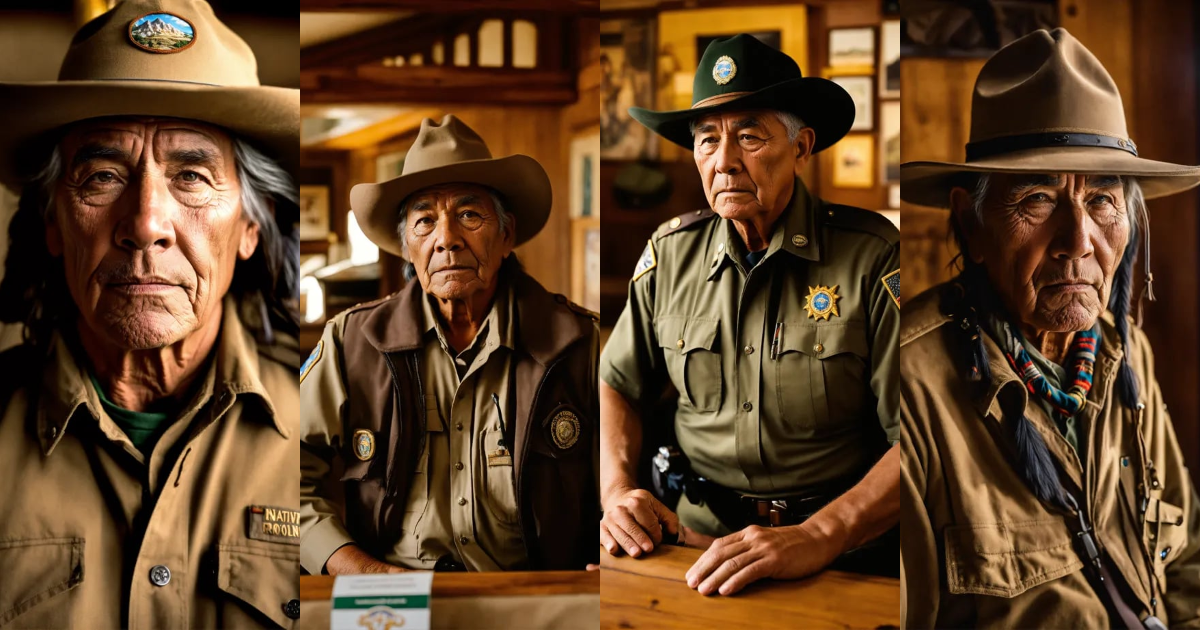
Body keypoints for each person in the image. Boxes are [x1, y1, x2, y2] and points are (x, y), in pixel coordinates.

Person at [0, 0, 301, 627]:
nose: (144, 224)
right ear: (54, 223)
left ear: (251, 226)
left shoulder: (329, 429)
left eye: (191, 176)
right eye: (102, 176)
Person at [899, 28, 1200, 628]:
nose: (1078, 241)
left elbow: (1187, 558)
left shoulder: (1123, 351)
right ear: (972, 223)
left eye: (1102, 201)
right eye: (1038, 199)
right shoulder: (912, 384)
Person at [599, 33, 901, 596]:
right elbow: (617, 382)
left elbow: (919, 440)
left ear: (802, 147)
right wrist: (616, 493)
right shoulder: (670, 254)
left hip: (841, 552)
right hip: (693, 540)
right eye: (707, 140)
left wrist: (819, 533)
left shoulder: (872, 256)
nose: (724, 162)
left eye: (748, 137)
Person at [299, 115, 600, 575]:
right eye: (425, 221)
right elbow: (285, 478)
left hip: (531, 597)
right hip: (391, 595)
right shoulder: (351, 342)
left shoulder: (578, 344)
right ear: (407, 247)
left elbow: (624, 483)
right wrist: (365, 574)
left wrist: (606, 562)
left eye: (469, 215)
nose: (447, 240)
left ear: (507, 236)